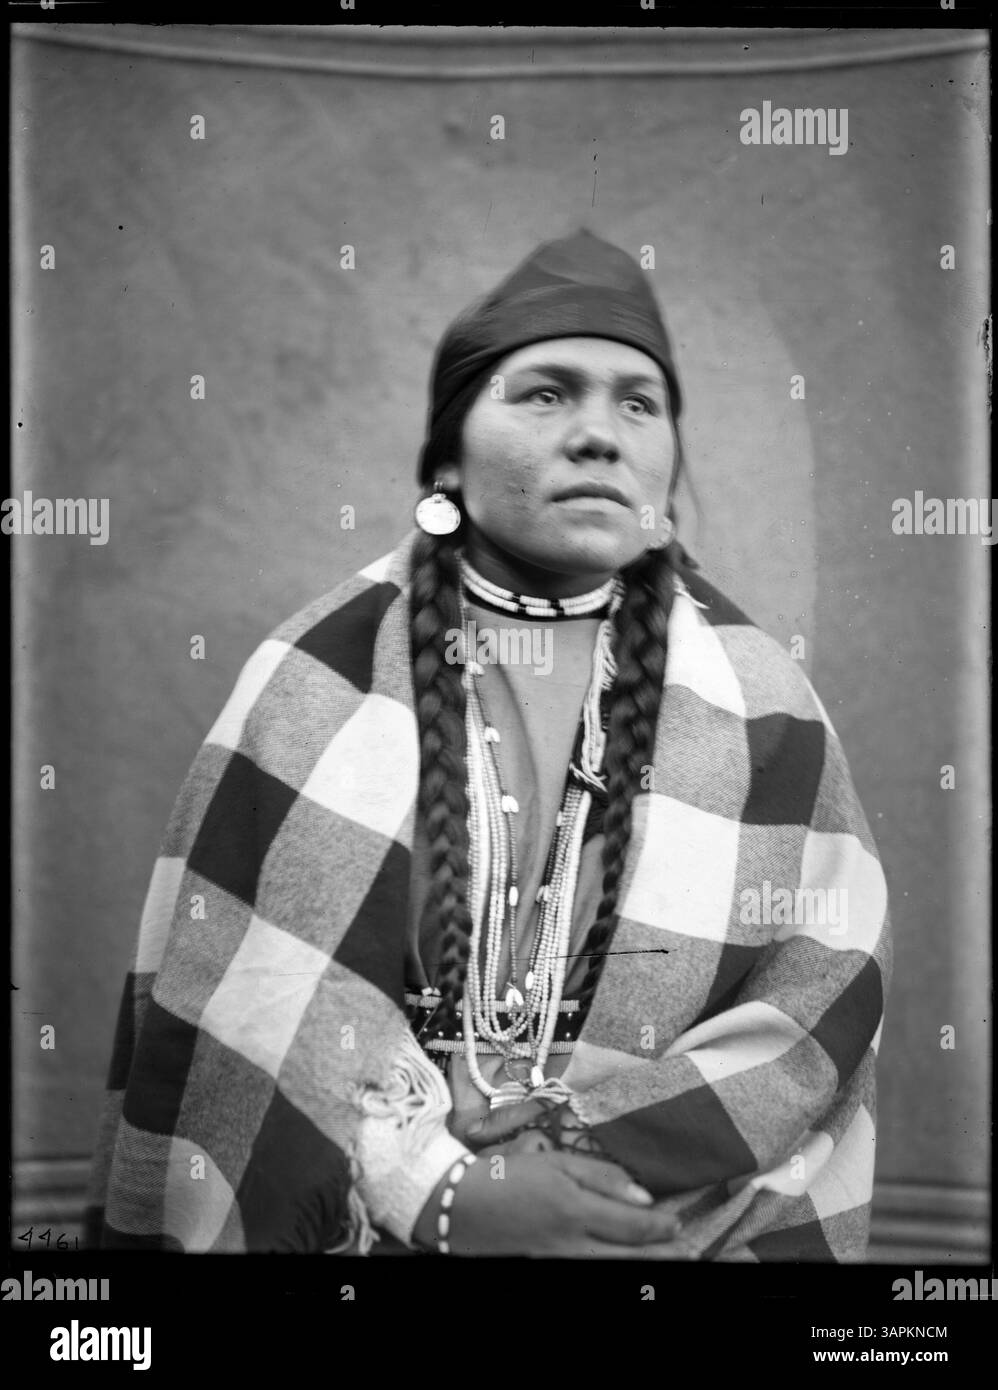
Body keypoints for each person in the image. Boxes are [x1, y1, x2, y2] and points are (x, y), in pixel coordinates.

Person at [85, 230, 892, 1260]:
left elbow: (813, 1006)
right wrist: (438, 1191)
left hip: (656, 1236)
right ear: (448, 457)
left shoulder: (763, 706)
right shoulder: (315, 677)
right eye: (545, 393)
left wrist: (579, 1155)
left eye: (635, 403)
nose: (599, 433)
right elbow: (243, 1008)